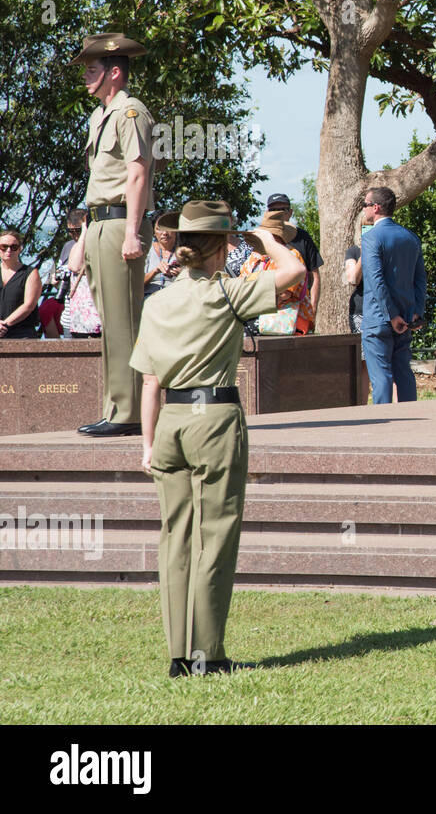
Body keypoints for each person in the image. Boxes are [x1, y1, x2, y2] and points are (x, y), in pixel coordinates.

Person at [129, 199, 304, 676]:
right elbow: (294, 271)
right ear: (220, 246)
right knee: (216, 536)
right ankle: (209, 655)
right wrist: (268, 241)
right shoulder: (227, 292)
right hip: (215, 418)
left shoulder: (157, 300)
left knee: (176, 539)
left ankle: (178, 656)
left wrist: (146, 446)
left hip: (170, 422)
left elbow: (148, 382)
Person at [70, 32, 156, 437]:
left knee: (124, 321)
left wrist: (133, 233)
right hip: (101, 222)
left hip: (122, 222)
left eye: (92, 70)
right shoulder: (99, 116)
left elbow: (137, 174)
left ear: (115, 73)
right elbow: (99, 185)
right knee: (111, 319)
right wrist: (84, 239)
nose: (86, 77)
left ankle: (128, 413)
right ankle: (119, 406)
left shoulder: (130, 112)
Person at [360, 186, 426, 404]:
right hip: (407, 317)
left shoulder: (371, 238)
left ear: (375, 208)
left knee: (382, 378)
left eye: (365, 205)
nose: (364, 209)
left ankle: (382, 426)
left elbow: (375, 280)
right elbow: (420, 279)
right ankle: (410, 420)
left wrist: (390, 314)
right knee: (404, 375)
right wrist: (416, 312)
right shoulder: (410, 237)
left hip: (380, 318)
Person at [239, 211, 312, 335]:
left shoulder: (292, 256)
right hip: (254, 321)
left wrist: (252, 295)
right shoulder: (254, 257)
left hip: (285, 324)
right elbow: (241, 285)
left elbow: (285, 294)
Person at [265, 193, 323, 327]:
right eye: (273, 210)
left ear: (290, 212)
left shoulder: (302, 237)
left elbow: (314, 275)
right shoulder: (263, 239)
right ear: (267, 213)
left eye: (283, 210)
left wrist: (313, 308)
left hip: (299, 314)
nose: (278, 214)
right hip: (266, 313)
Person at [0, 230, 42, 338]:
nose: (8, 250)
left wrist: (4, 324)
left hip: (22, 333)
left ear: (19, 249)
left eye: (13, 247)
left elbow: (29, 305)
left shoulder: (30, 273)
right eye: (4, 247)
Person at [143, 224, 180, 298]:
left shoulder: (183, 251)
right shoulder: (147, 250)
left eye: (168, 228)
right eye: (159, 229)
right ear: (154, 232)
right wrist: (155, 271)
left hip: (175, 296)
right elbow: (137, 284)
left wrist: (181, 274)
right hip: (151, 296)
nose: (165, 233)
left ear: (176, 231)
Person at [343, 242, 365, 333]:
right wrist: (365, 254)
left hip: (387, 311)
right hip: (361, 310)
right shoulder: (354, 251)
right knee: (361, 346)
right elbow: (353, 280)